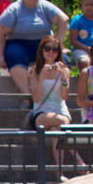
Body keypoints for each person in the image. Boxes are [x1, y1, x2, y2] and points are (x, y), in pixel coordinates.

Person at [0, 0, 69, 96]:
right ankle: (27, 95)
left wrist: (58, 43)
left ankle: (55, 95)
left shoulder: (44, 6)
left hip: (43, 43)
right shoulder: (15, 8)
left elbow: (63, 20)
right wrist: (0, 56)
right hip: (18, 43)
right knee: (14, 55)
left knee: (61, 58)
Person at [26, 34, 74, 172]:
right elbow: (36, 98)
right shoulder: (34, 70)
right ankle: (78, 160)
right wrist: (41, 77)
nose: (51, 52)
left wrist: (64, 78)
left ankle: (59, 171)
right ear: (42, 50)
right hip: (41, 112)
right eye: (47, 48)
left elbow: (64, 97)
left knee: (56, 131)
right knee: (62, 125)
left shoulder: (64, 70)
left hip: (60, 110)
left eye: (55, 49)